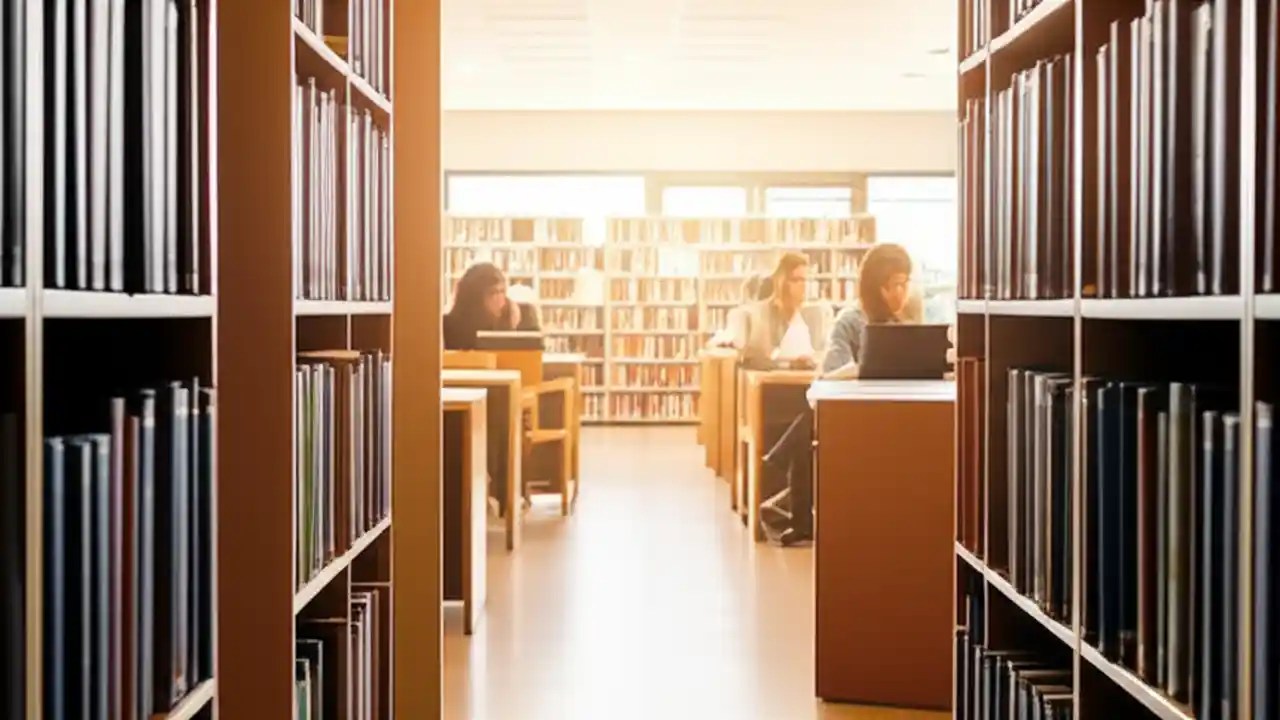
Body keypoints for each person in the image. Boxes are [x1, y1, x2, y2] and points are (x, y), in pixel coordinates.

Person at [761, 243, 918, 546]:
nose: (900, 294)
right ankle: (786, 494)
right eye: (893, 286)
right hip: (853, 415)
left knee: (806, 429)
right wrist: (864, 370)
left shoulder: (904, 325)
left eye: (904, 284)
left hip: (890, 415)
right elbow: (833, 373)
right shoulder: (850, 321)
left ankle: (780, 470)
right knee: (814, 424)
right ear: (876, 288)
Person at [736, 253, 833, 370]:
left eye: (804, 280)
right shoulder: (760, 315)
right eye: (796, 280)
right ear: (781, 282)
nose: (802, 286)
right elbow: (755, 361)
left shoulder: (814, 315)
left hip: (810, 382)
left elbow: (823, 354)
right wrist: (790, 365)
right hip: (775, 383)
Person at [443, 262, 540, 350]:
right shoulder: (449, 327)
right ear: (474, 297)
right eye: (492, 293)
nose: (499, 299)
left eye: (502, 291)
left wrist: (512, 327)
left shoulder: (520, 317)